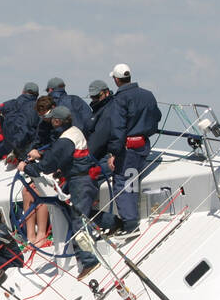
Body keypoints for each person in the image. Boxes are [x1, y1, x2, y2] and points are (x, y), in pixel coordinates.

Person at [21, 106, 102, 274]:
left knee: (78, 221)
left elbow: (47, 166)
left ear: (57, 121)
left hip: (78, 182)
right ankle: (113, 223)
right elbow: (60, 156)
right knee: (75, 211)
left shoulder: (64, 140)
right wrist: (42, 156)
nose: (50, 122)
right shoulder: (75, 132)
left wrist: (25, 168)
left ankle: (89, 261)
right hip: (83, 179)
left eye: (52, 120)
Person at [100, 63, 161, 233]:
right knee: (130, 181)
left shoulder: (119, 100)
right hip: (143, 145)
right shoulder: (148, 95)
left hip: (128, 149)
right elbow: (157, 116)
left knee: (124, 183)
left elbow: (117, 128)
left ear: (116, 80)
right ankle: (130, 220)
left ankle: (130, 224)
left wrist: (113, 153)